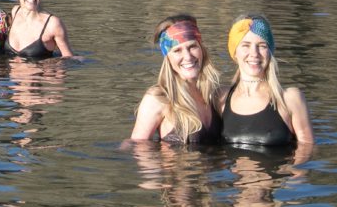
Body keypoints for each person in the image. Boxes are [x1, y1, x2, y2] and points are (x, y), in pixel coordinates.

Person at [219, 14, 314, 148]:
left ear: (270, 52)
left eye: (262, 46)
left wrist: (289, 169)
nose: (254, 53)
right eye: (246, 45)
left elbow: (307, 151)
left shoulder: (290, 99)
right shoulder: (220, 98)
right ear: (235, 52)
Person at [131, 15, 222, 144]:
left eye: (192, 47)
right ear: (167, 57)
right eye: (177, 50)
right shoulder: (158, 98)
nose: (188, 57)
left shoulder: (215, 95)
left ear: (201, 48)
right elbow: (137, 147)